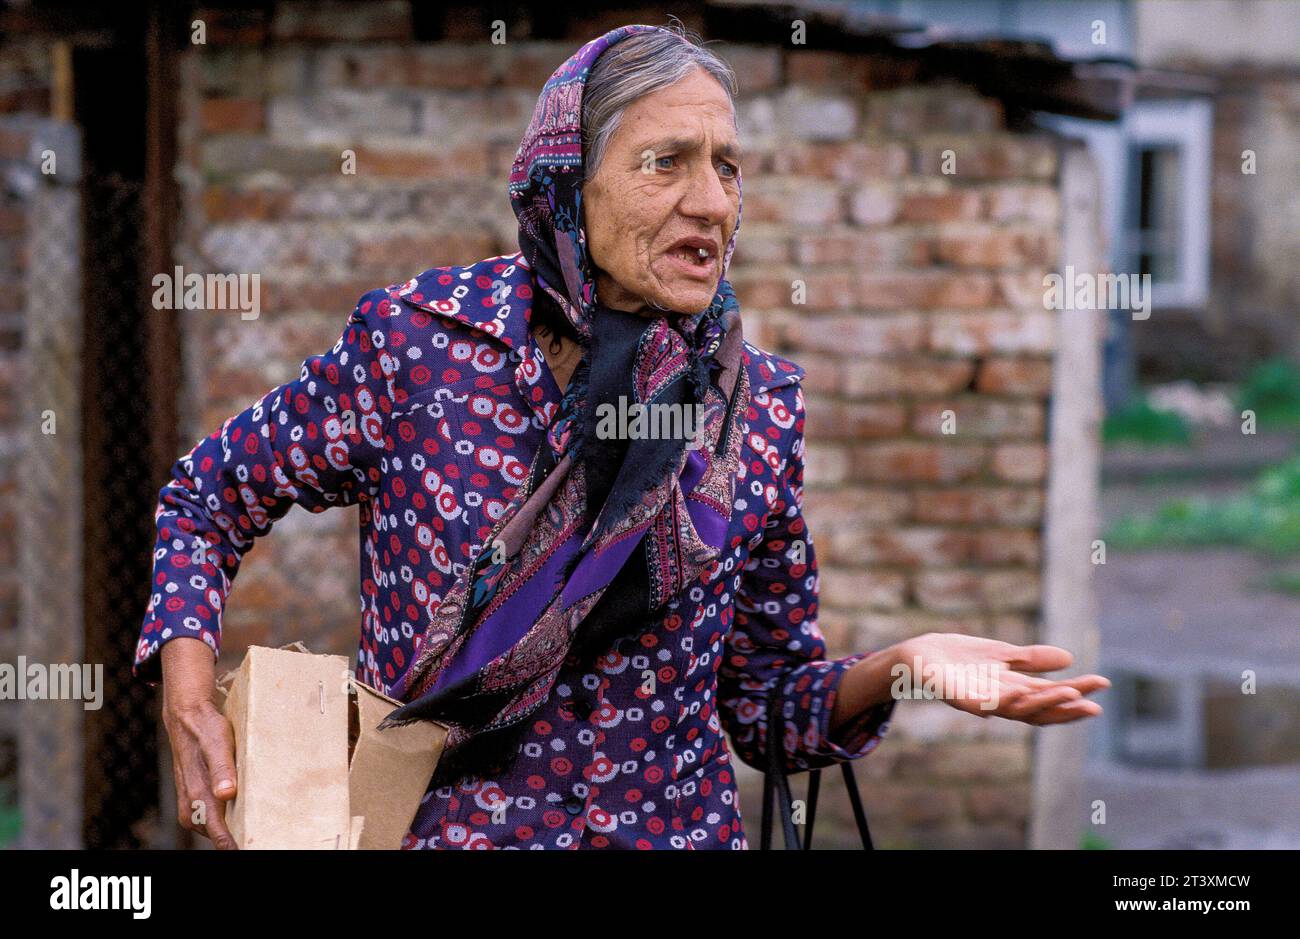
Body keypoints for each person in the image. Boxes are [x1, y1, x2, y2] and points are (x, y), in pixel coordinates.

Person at [137, 22, 1109, 851]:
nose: (713, 201)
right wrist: (189, 695)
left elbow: (767, 711)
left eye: (726, 166)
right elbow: (204, 496)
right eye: (666, 162)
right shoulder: (423, 347)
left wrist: (904, 665)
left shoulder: (751, 407)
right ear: (568, 184)